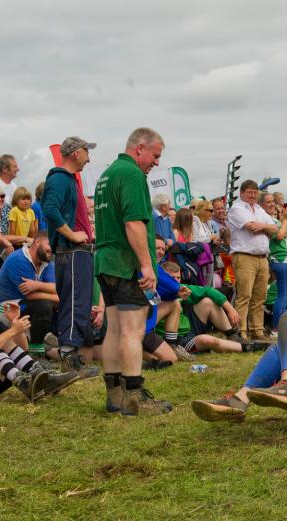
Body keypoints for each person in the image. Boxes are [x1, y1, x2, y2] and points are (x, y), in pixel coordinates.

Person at [95, 127, 172, 416]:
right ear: (140, 148)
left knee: (113, 329)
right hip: (126, 264)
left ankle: (114, 395)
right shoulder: (131, 175)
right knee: (132, 330)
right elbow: (134, 224)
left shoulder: (108, 174)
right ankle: (133, 396)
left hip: (105, 260)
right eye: (155, 155)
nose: (156, 163)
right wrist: (145, 265)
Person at [0, 285, 77, 401]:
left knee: (2, 341)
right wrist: (12, 331)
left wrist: (13, 321)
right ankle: (24, 383)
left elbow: (23, 348)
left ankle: (39, 374)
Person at [41, 136, 99, 378]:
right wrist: (71, 234)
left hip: (77, 251)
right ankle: (68, 356)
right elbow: (50, 209)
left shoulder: (68, 180)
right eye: (87, 152)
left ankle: (70, 353)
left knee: (79, 301)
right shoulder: (59, 178)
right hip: (71, 251)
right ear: (75, 153)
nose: (89, 158)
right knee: (75, 302)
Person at [0, 231, 58, 357]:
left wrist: (38, 285)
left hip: (24, 307)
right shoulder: (18, 259)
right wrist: (56, 297)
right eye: (50, 244)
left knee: (55, 305)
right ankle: (37, 353)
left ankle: (51, 344)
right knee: (44, 306)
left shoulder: (46, 261)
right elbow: (30, 295)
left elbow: (57, 288)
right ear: (37, 241)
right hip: (5, 309)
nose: (53, 249)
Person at [227, 180, 274, 341]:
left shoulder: (259, 209)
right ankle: (240, 331)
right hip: (244, 256)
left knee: (260, 297)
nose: (253, 195)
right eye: (250, 192)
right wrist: (265, 226)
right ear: (241, 193)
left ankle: (257, 330)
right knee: (244, 295)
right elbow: (250, 227)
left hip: (262, 257)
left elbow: (275, 228)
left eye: (255, 192)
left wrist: (262, 226)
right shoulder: (236, 208)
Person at [261, 192, 287, 332]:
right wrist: (284, 219)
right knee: (284, 295)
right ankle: (276, 329)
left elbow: (284, 238)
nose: (273, 205)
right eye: (269, 202)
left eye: (273, 202)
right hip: (280, 260)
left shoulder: (272, 219)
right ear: (261, 205)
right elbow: (279, 236)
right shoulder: (265, 219)